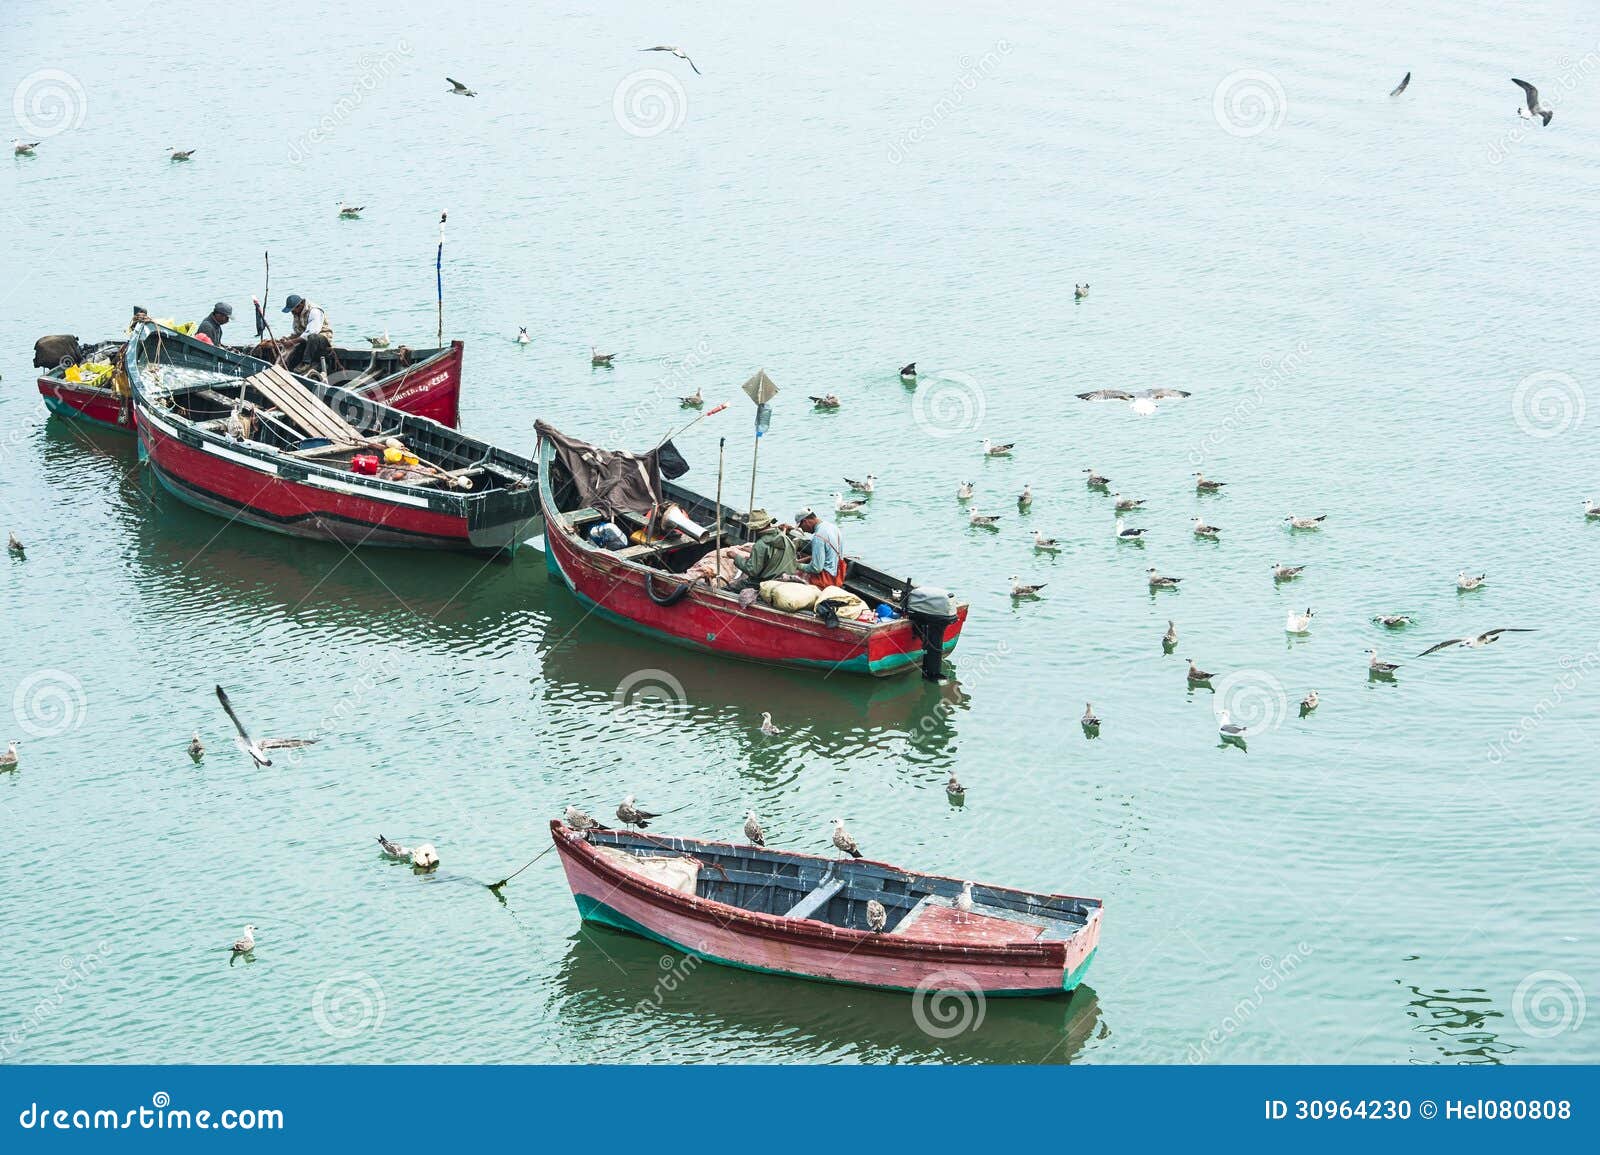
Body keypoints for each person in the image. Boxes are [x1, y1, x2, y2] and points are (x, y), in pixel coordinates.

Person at [730, 510, 797, 591]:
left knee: (731, 587)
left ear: (755, 528)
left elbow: (752, 571)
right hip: (787, 580)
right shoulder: (785, 538)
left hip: (768, 584)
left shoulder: (760, 545)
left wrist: (736, 557)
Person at [280, 293, 334, 376]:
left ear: (300, 305)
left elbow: (312, 332)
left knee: (313, 337)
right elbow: (298, 333)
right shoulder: (297, 314)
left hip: (322, 340)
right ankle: (291, 369)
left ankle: (306, 363)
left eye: (293, 310)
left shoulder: (314, 311)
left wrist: (291, 342)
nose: (292, 312)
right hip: (308, 342)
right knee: (294, 356)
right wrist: (287, 339)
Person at [793, 507, 846, 588]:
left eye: (801, 526)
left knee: (791, 576)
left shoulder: (818, 537)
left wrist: (796, 565)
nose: (803, 530)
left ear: (805, 521)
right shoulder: (832, 527)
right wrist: (807, 559)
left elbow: (816, 568)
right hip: (839, 575)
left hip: (827, 580)